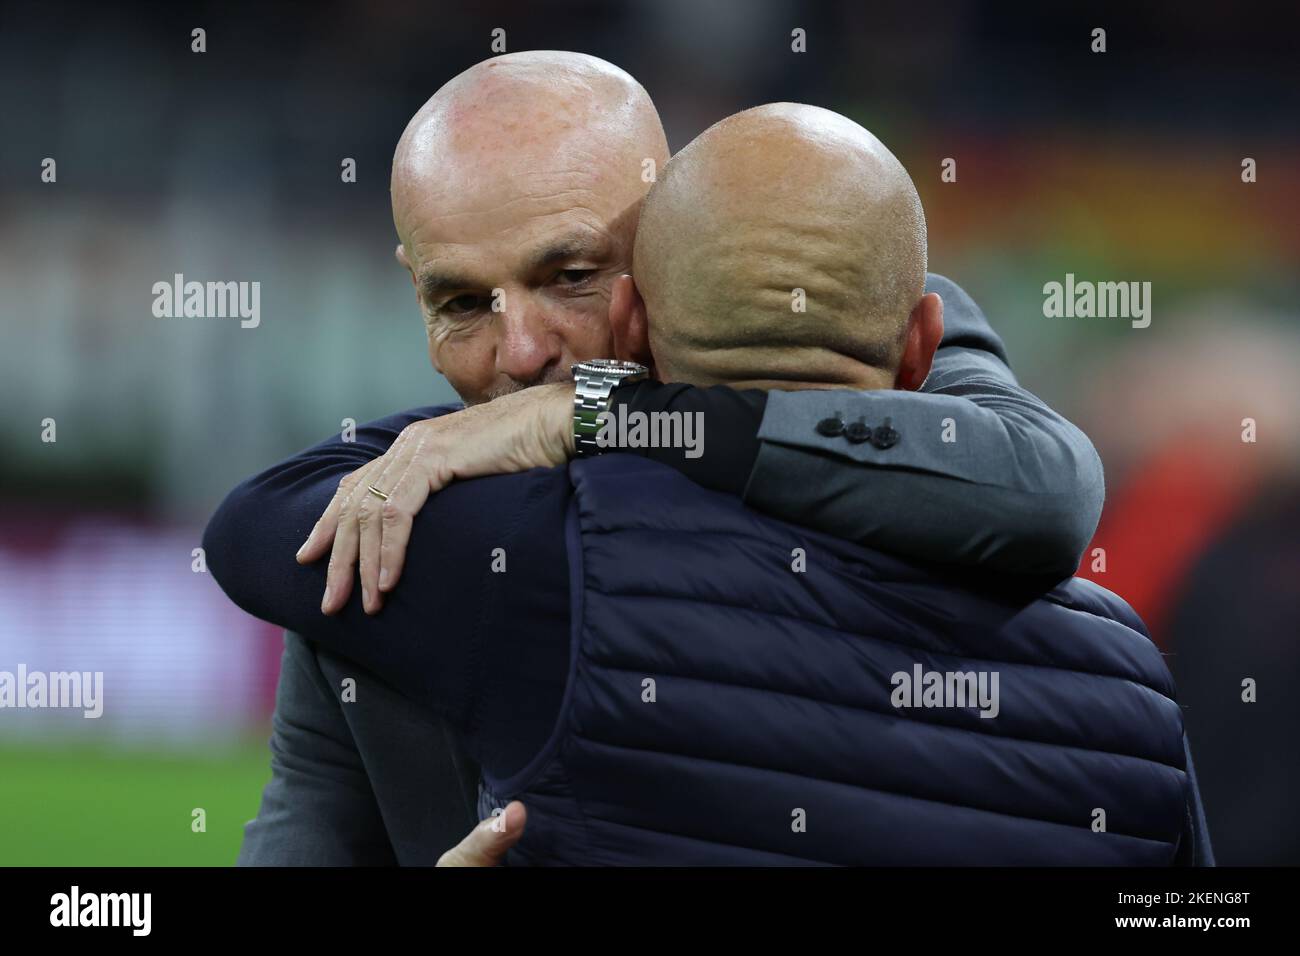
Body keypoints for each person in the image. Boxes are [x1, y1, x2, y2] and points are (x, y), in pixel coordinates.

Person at [206, 100, 1209, 864]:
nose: (520, 355)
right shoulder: (1130, 681)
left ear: (654, 282)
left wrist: (604, 411)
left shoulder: (517, 565)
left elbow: (1043, 485)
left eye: (570, 276)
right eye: (461, 300)